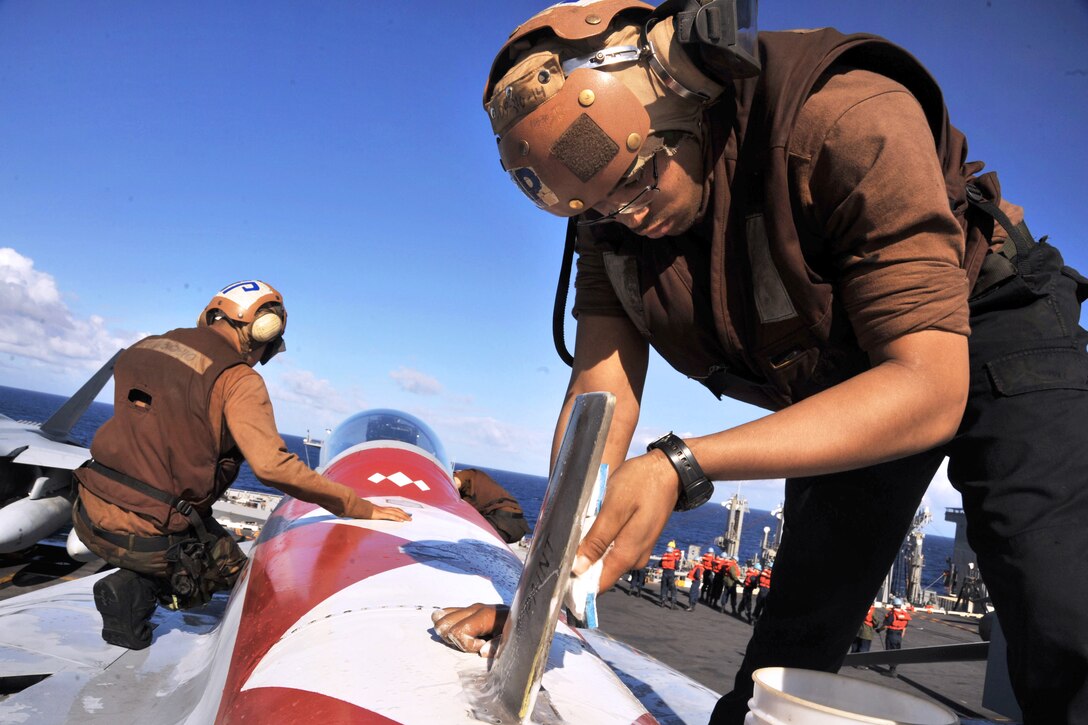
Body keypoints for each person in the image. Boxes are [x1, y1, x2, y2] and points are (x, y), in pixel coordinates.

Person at [442, 2, 1088, 721]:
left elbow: (929, 384)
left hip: (988, 313)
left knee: (1061, 605)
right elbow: (601, 396)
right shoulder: (612, 216)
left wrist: (680, 463)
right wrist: (539, 602)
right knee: (789, 649)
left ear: (688, 93)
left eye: (641, 178)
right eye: (597, 208)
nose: (627, 214)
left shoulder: (847, 116)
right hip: (848, 372)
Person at [73, 280, 411, 650]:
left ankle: (145, 572)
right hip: (148, 534)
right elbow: (273, 467)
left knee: (200, 533)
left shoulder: (143, 348)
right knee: (243, 579)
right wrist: (357, 506)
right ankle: (137, 586)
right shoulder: (238, 379)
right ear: (263, 327)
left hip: (89, 510)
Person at [452, 468, 530, 544]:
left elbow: (453, 483)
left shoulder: (468, 474)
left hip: (500, 521)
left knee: (461, 535)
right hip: (519, 526)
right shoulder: (480, 480)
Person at [882, 598, 913, 675]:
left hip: (892, 634)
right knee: (896, 651)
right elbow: (905, 626)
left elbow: (886, 625)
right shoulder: (904, 614)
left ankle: (891, 671)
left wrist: (879, 630)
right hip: (899, 635)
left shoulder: (892, 614)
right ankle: (894, 669)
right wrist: (901, 635)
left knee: (890, 651)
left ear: (893, 605)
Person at [658, 541, 681, 609]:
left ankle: (663, 602)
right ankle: (672, 604)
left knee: (664, 588)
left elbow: (660, 564)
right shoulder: (674, 557)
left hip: (664, 573)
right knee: (673, 589)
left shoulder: (664, 557)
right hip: (671, 573)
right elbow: (677, 567)